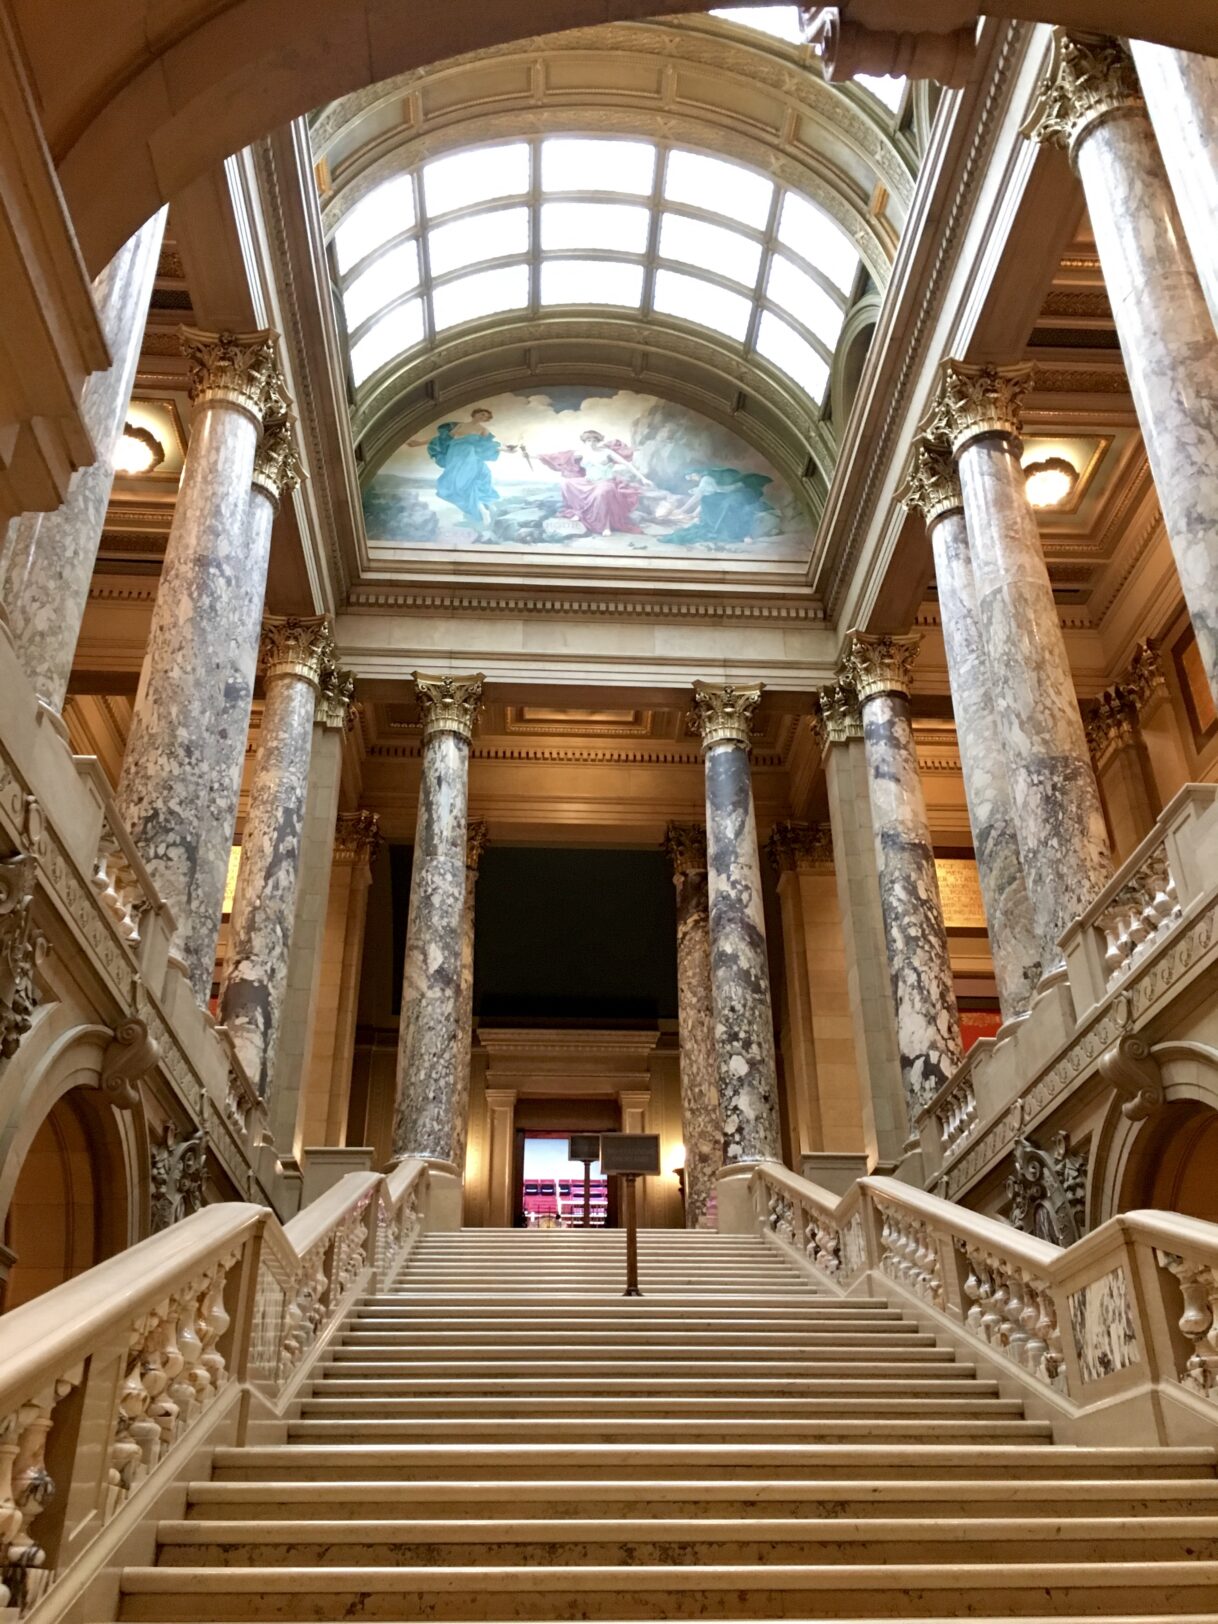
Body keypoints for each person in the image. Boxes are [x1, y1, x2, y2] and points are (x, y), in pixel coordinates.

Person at [536, 430, 649, 535]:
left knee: (601, 493)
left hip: (605, 481)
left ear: (598, 441)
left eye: (594, 440)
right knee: (566, 483)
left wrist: (643, 478)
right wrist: (534, 456)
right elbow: (557, 457)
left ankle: (605, 526)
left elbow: (627, 464)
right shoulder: (580, 453)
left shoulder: (606, 452)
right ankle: (579, 512)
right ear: (585, 441)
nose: (591, 443)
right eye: (589, 440)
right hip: (589, 481)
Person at [408, 407, 503, 530]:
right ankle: (481, 508)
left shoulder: (483, 430)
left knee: (466, 483)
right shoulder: (460, 426)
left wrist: (506, 449)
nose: (483, 417)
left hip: (468, 456)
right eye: (482, 414)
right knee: (454, 485)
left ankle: (482, 509)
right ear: (475, 414)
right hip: (454, 455)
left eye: (486, 416)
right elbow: (441, 439)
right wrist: (419, 443)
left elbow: (490, 446)